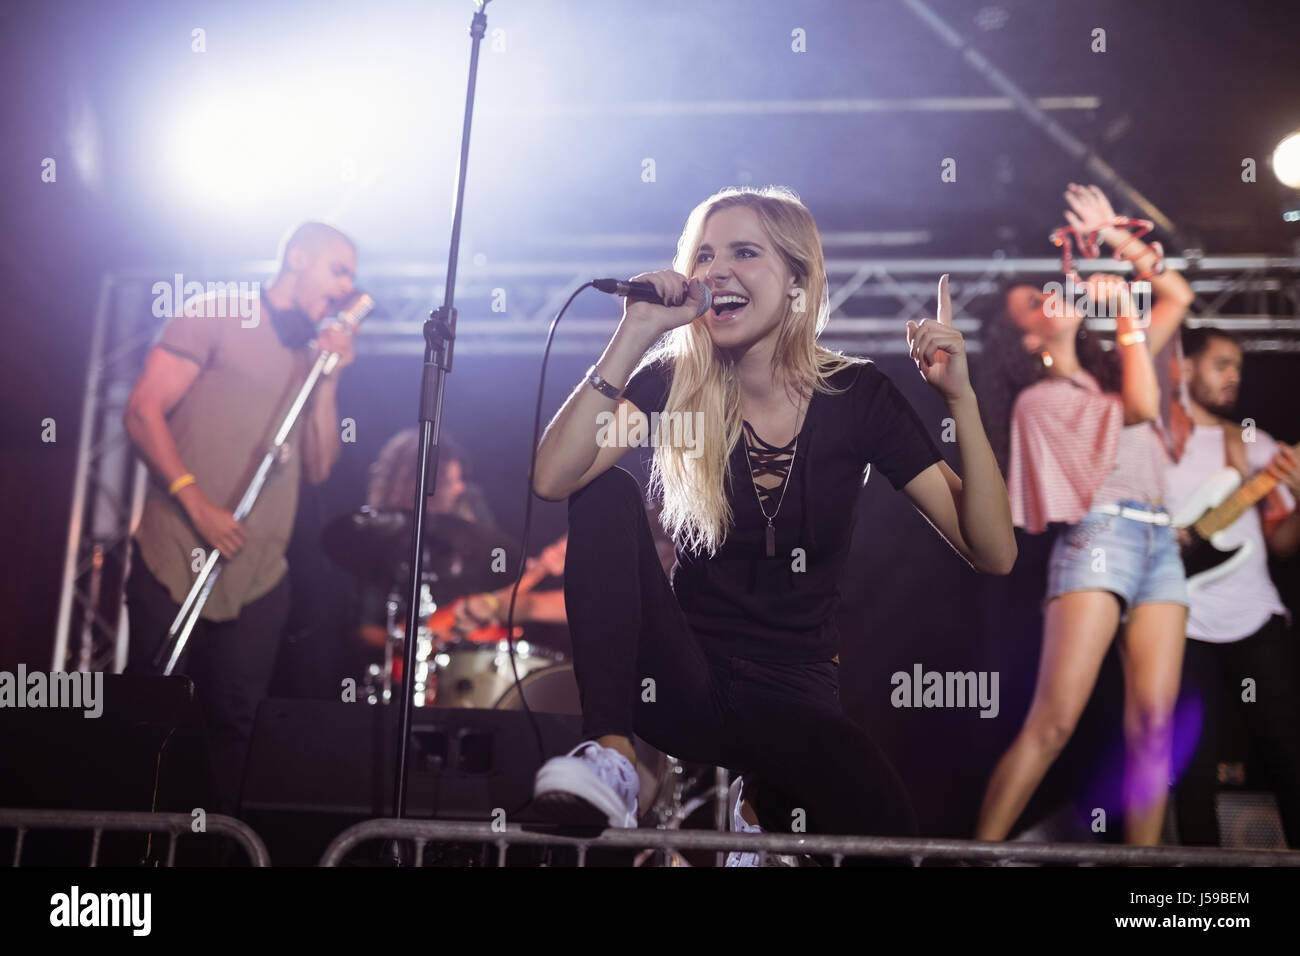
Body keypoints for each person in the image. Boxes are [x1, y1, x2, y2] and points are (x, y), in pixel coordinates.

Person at [529, 184, 1016, 864]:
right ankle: (613, 759)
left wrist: (961, 400)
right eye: (703, 255)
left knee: (892, 841)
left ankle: (763, 817)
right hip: (686, 685)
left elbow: (992, 551)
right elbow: (553, 477)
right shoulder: (674, 384)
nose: (715, 269)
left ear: (797, 280)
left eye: (744, 252)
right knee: (602, 491)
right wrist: (634, 332)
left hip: (797, 702)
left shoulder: (858, 396)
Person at [973, 184, 1195, 845]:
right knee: (1055, 723)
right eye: (1036, 304)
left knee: (1154, 725)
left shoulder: (1114, 359)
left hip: (1163, 541)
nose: (1053, 296)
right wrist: (1126, 308)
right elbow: (1140, 407)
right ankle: (972, 856)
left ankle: (1145, 874)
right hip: (1100, 537)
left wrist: (1116, 239)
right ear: (1030, 339)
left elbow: (1177, 297)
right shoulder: (1038, 402)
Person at [122, 221, 360, 816]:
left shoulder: (313, 357)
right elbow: (143, 412)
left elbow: (320, 466)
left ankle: (219, 853)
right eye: (339, 270)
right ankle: (125, 850)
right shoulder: (216, 313)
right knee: (150, 710)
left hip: (257, 572)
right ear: (297, 257)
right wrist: (196, 503)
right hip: (176, 547)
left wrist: (329, 383)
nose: (345, 288)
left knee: (238, 725)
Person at [1164, 327, 1300, 846]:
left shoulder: (1253, 444)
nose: (1234, 376)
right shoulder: (1152, 441)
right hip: (1181, 621)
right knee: (1191, 770)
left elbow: (1283, 545)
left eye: (1238, 366)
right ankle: (1197, 892)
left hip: (1256, 618)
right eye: (1221, 364)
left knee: (1287, 753)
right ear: (1185, 367)